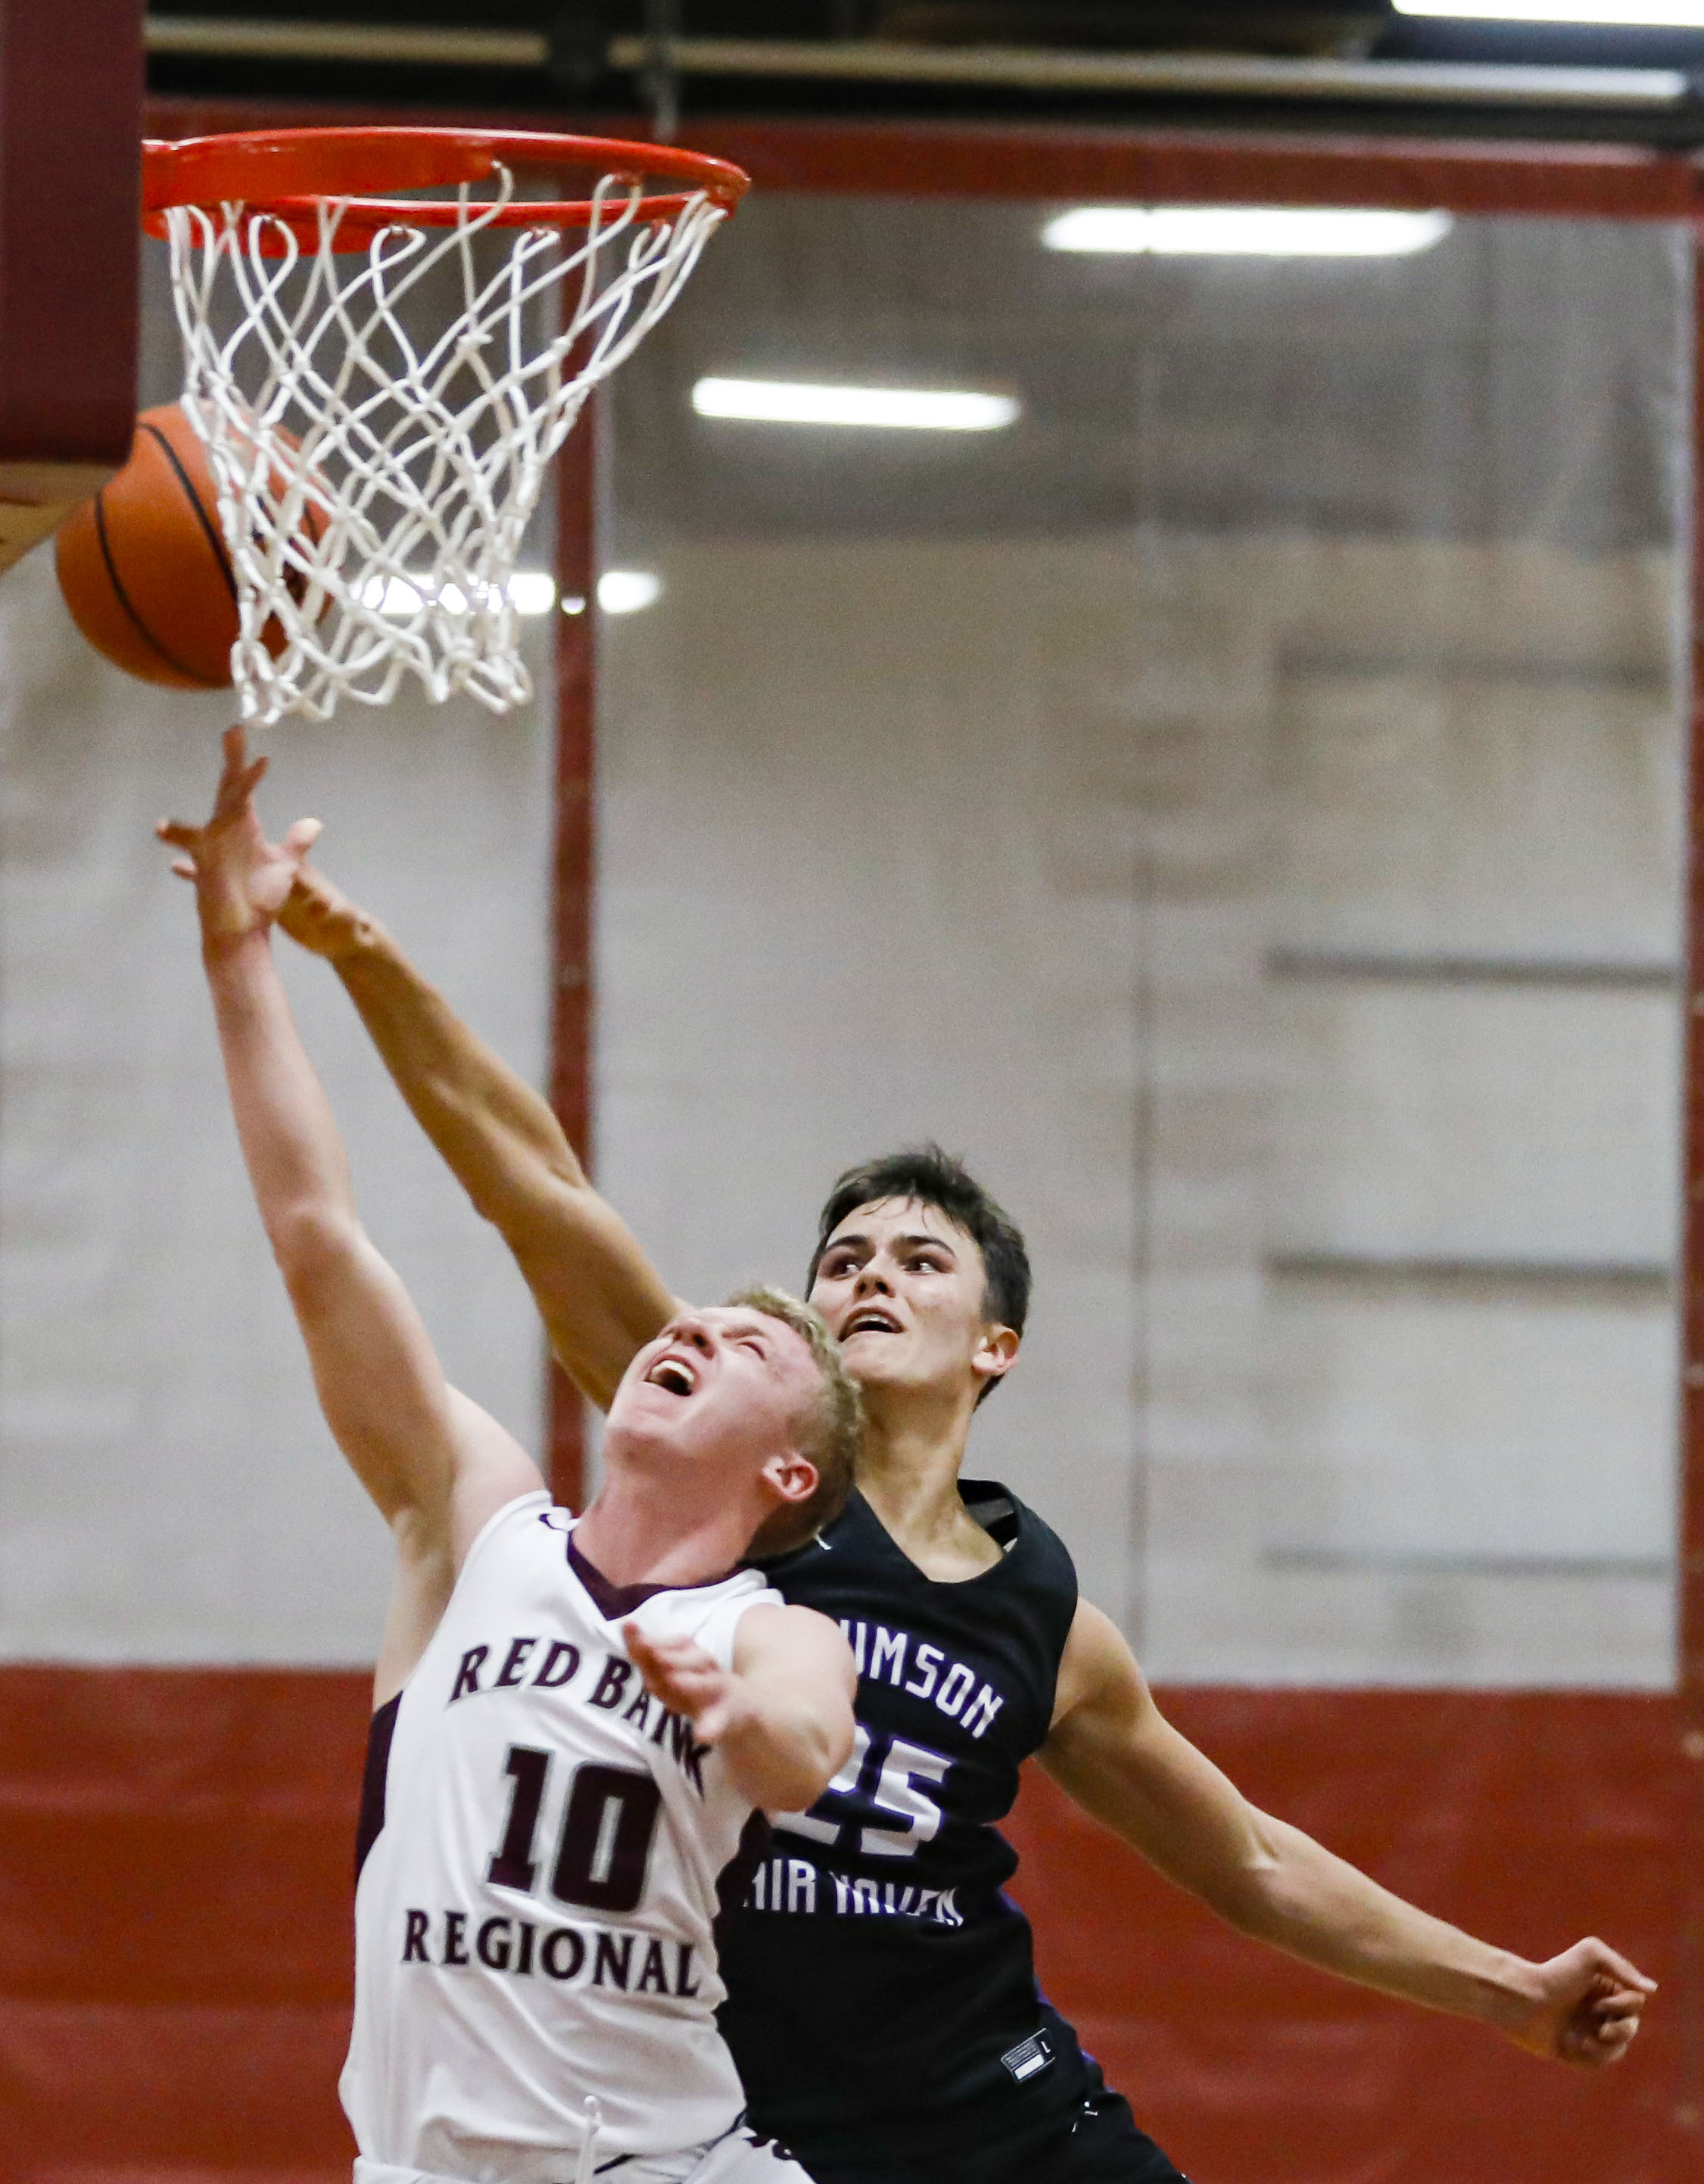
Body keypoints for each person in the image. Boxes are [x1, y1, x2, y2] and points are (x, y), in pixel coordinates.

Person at [259, 782, 1656, 2184]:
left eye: (920, 1260)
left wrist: (1509, 1991)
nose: (870, 1274)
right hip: (762, 2130)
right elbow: (531, 1184)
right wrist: (362, 955)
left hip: (1005, 2109)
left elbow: (1252, 1862)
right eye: (843, 1259)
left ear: (997, 1345)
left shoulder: (1046, 1617)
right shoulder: (743, 1475)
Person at [157, 730, 862, 2184]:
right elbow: (318, 1239)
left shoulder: (765, 1628)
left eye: (749, 1345)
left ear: (791, 1471)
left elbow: (804, 1748)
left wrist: (734, 1708)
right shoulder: (474, 1520)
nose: (692, 1329)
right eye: (691, 1320)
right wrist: (238, 953)